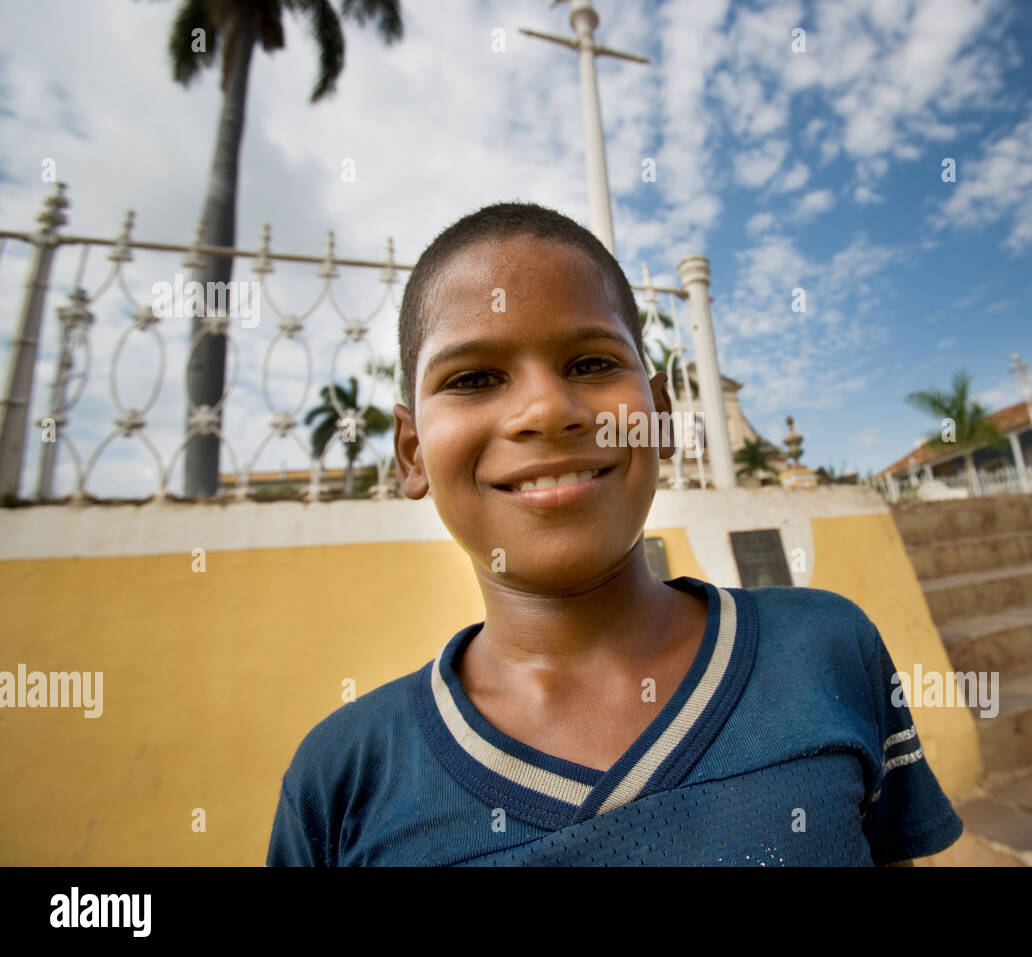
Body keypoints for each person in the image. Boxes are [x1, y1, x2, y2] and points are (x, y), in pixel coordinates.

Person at [266, 201, 962, 866]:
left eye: (592, 364)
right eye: (476, 377)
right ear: (412, 452)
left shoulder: (829, 648)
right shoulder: (342, 782)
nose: (546, 409)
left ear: (658, 414)